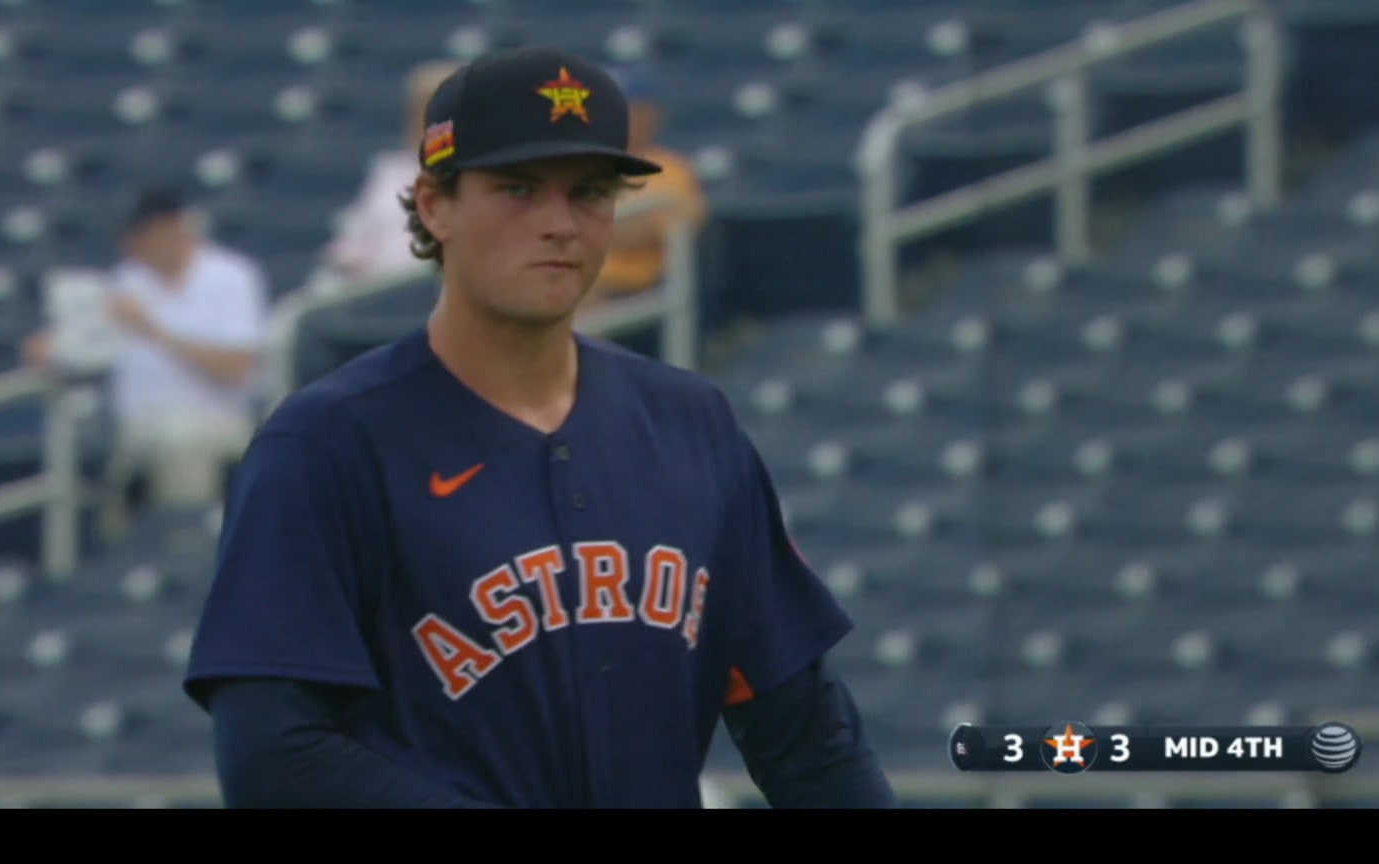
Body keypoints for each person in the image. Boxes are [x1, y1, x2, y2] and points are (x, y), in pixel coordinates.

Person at [184, 46, 896, 809]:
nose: (559, 224)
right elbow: (273, 758)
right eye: (517, 189)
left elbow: (807, 735)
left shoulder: (693, 423)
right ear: (434, 205)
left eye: (589, 192)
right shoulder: (328, 443)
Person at [25, 188, 269, 514]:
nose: (131, 245)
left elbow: (236, 369)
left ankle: (183, 544)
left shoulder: (230, 276)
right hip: (133, 427)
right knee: (90, 452)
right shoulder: (127, 280)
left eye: (141, 233)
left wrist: (153, 330)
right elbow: (92, 348)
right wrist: (54, 349)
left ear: (172, 227)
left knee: (179, 442)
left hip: (214, 420)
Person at [313, 59, 464, 290]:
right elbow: (348, 256)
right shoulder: (388, 173)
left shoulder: (488, 176)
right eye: (421, 110)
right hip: (382, 304)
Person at [579, 61, 708, 311]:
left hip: (631, 292)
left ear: (650, 114)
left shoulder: (669, 168)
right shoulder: (577, 165)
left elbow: (681, 221)